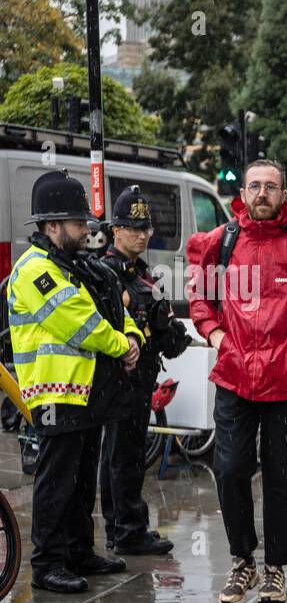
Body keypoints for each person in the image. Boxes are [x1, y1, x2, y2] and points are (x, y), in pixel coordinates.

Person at [187, 159, 287, 603]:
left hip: (286, 384)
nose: (261, 193)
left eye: (270, 187)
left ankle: (275, 569)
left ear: (283, 194)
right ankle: (242, 561)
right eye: (254, 185)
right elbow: (200, 294)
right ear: (245, 192)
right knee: (231, 468)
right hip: (234, 378)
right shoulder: (222, 241)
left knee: (281, 477)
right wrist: (216, 336)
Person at [6, 170, 144, 593]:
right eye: (78, 222)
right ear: (52, 226)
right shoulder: (34, 270)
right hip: (53, 392)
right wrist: (122, 345)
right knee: (56, 480)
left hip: (84, 391)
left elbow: (114, 309)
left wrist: (132, 335)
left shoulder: (73, 265)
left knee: (83, 477)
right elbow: (79, 323)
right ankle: (47, 563)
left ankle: (80, 550)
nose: (87, 229)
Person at [99, 186, 192, 556]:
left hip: (141, 381)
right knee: (122, 456)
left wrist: (171, 330)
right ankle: (126, 530)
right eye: (132, 227)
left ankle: (125, 526)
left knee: (128, 454)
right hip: (120, 381)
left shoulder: (143, 274)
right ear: (115, 230)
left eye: (145, 229)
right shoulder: (107, 273)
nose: (140, 234)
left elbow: (161, 327)